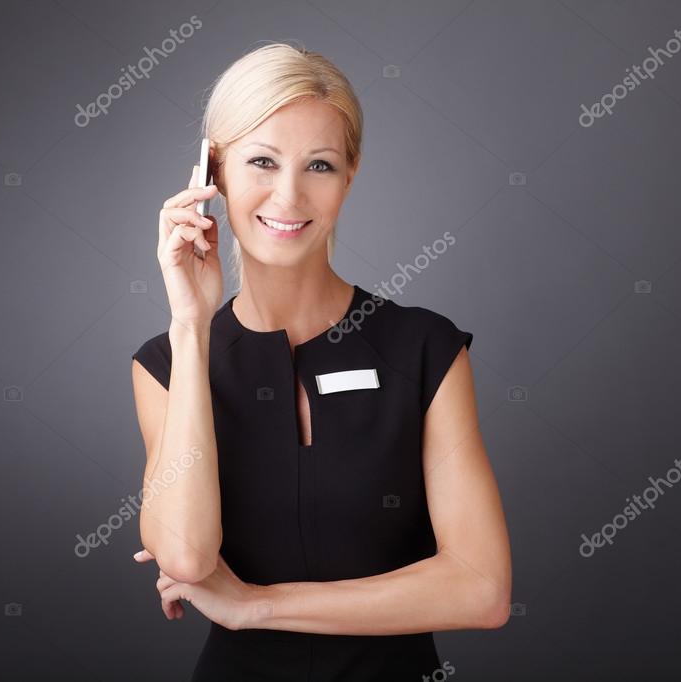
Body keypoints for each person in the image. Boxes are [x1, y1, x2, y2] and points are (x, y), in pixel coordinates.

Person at [130, 41, 512, 681]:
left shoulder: (424, 349)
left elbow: (481, 589)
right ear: (212, 174)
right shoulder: (167, 363)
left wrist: (256, 606)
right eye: (260, 162)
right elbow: (188, 557)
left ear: (351, 174)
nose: (288, 196)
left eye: (320, 166)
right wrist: (191, 326)